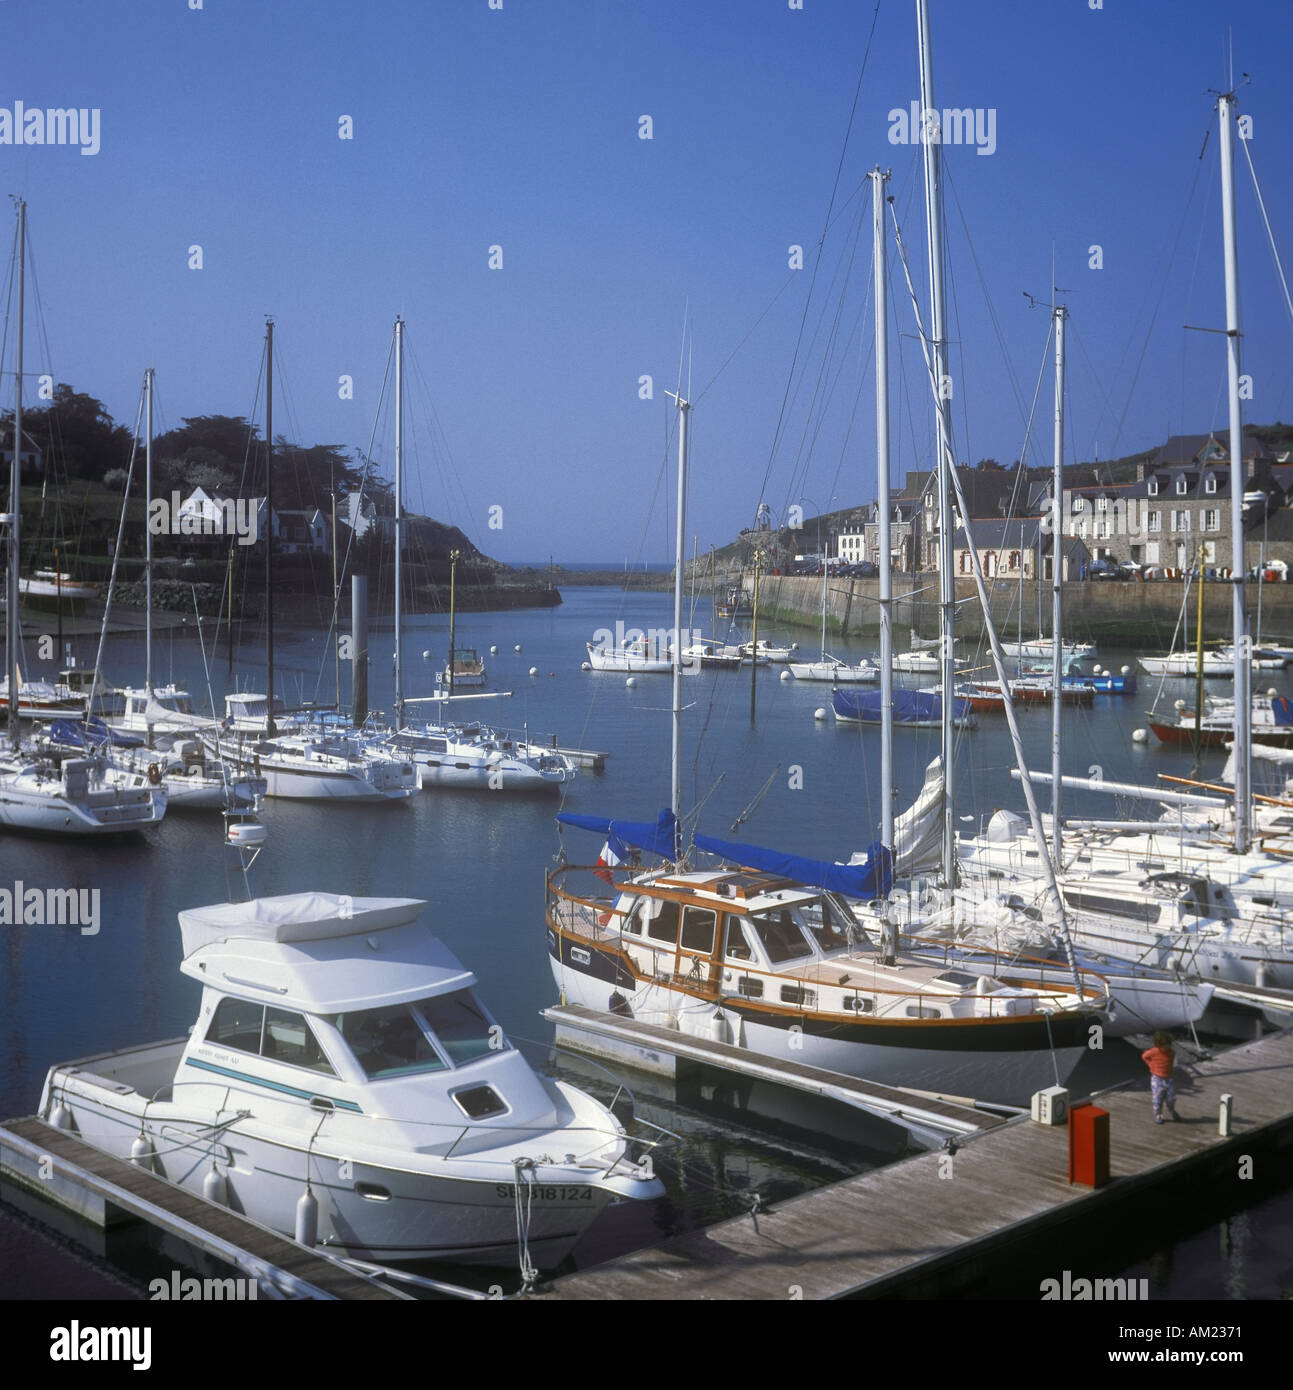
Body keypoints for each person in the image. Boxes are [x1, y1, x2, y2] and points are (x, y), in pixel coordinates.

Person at [1141, 1031, 1179, 1123]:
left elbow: (1172, 1063)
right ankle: (1157, 1115)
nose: (1167, 1048)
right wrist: (1150, 1064)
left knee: (1171, 1098)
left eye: (1168, 1045)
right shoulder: (1154, 1051)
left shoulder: (1172, 1053)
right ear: (1158, 1045)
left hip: (1169, 1078)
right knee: (1157, 1099)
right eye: (1165, 1046)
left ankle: (1172, 1110)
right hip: (1157, 1079)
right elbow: (1144, 1056)